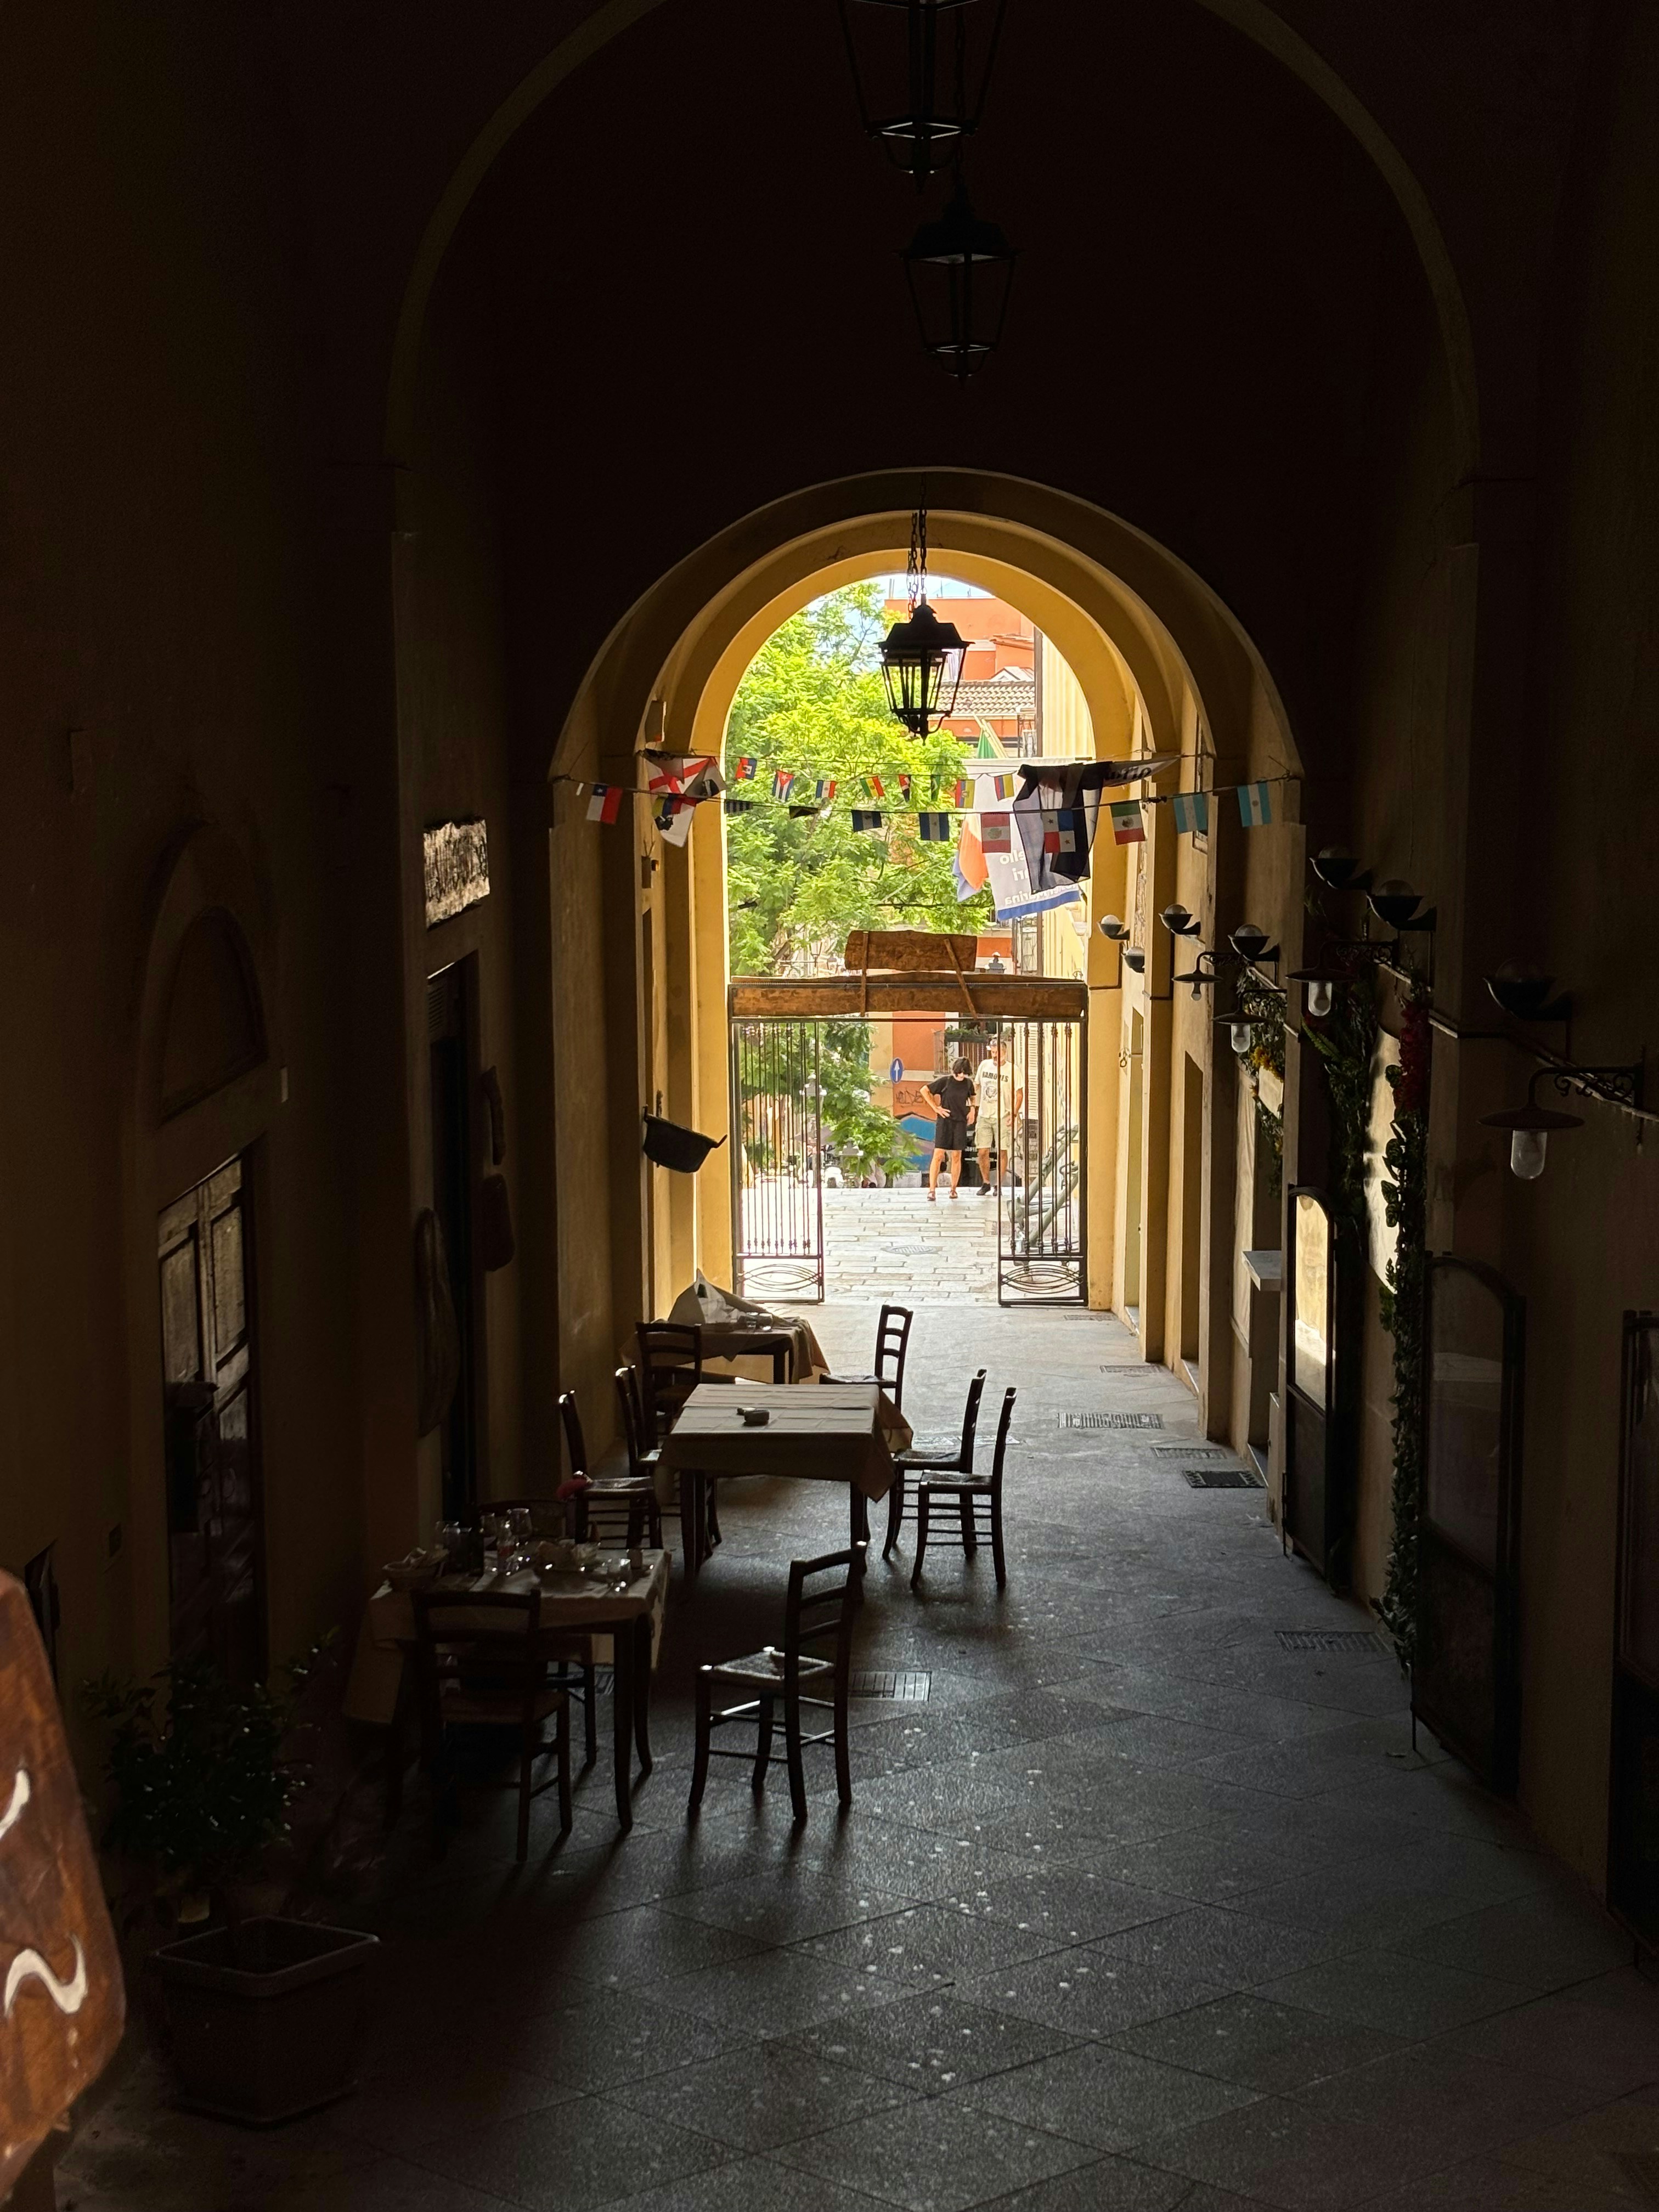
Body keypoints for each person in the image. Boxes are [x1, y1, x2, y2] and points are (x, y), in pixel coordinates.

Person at [974, 1037, 1024, 1195]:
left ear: (1005, 1052)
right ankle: (986, 1183)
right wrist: (971, 1106)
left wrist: (1014, 1114)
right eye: (993, 1052)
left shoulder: (1013, 1070)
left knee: (1002, 1151)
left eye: (997, 1052)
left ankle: (999, 1185)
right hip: (984, 1114)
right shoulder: (984, 1065)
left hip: (1003, 1115)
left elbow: (1020, 1094)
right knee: (982, 1151)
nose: (995, 1055)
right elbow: (976, 1086)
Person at [923, 1056, 975, 1201]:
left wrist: (972, 1109)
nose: (962, 1075)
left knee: (957, 1155)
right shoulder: (945, 1082)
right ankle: (932, 1190)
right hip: (945, 1121)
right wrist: (936, 1108)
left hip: (960, 1122)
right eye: (960, 1072)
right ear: (956, 1070)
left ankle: (953, 1189)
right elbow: (925, 1090)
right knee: (939, 1154)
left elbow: (973, 1096)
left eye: (965, 1073)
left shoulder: (968, 1084)